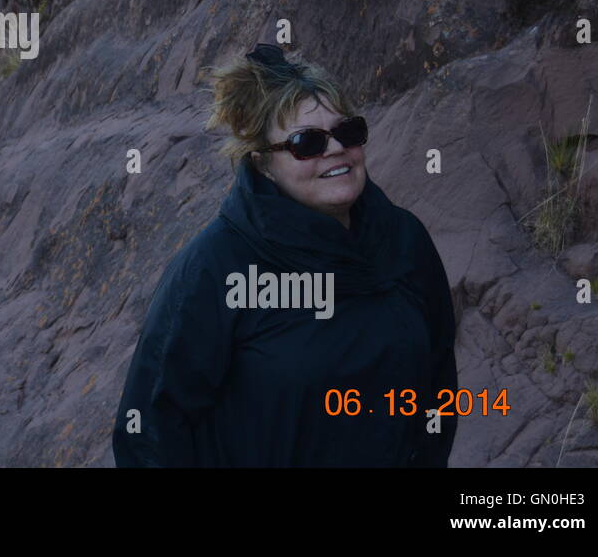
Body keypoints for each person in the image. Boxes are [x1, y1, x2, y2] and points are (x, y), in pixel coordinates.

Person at [112, 43, 458, 466]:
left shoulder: (404, 239)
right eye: (306, 142)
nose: (334, 149)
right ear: (262, 164)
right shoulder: (216, 268)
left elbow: (439, 380)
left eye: (347, 132)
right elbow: (149, 430)